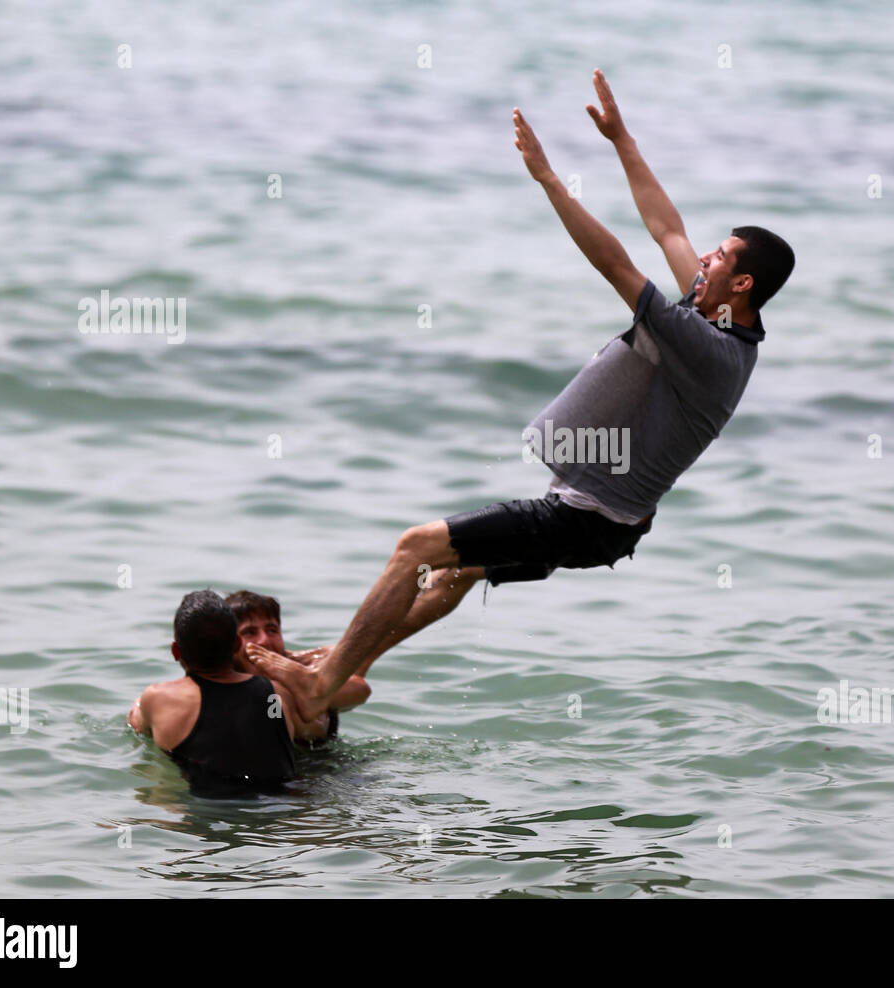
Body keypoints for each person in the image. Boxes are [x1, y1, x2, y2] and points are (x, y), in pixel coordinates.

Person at [248, 68, 794, 721]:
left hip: (588, 516)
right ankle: (349, 664)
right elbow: (666, 229)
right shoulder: (720, 319)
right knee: (455, 570)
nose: (703, 258)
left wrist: (548, 180)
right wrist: (621, 140)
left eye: (720, 258)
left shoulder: (706, 347)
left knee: (416, 548)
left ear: (743, 285)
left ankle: (320, 682)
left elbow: (618, 264)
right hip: (609, 522)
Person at [128, 590, 309, 794]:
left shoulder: (158, 699)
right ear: (237, 645)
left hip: (207, 814)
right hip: (282, 807)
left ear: (176, 651)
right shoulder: (276, 693)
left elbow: (137, 727)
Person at [224, 588, 375, 746]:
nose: (265, 640)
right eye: (250, 632)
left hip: (334, 766)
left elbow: (361, 689)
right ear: (231, 645)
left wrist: (300, 679)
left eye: (272, 630)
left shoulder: (300, 671)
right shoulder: (225, 683)